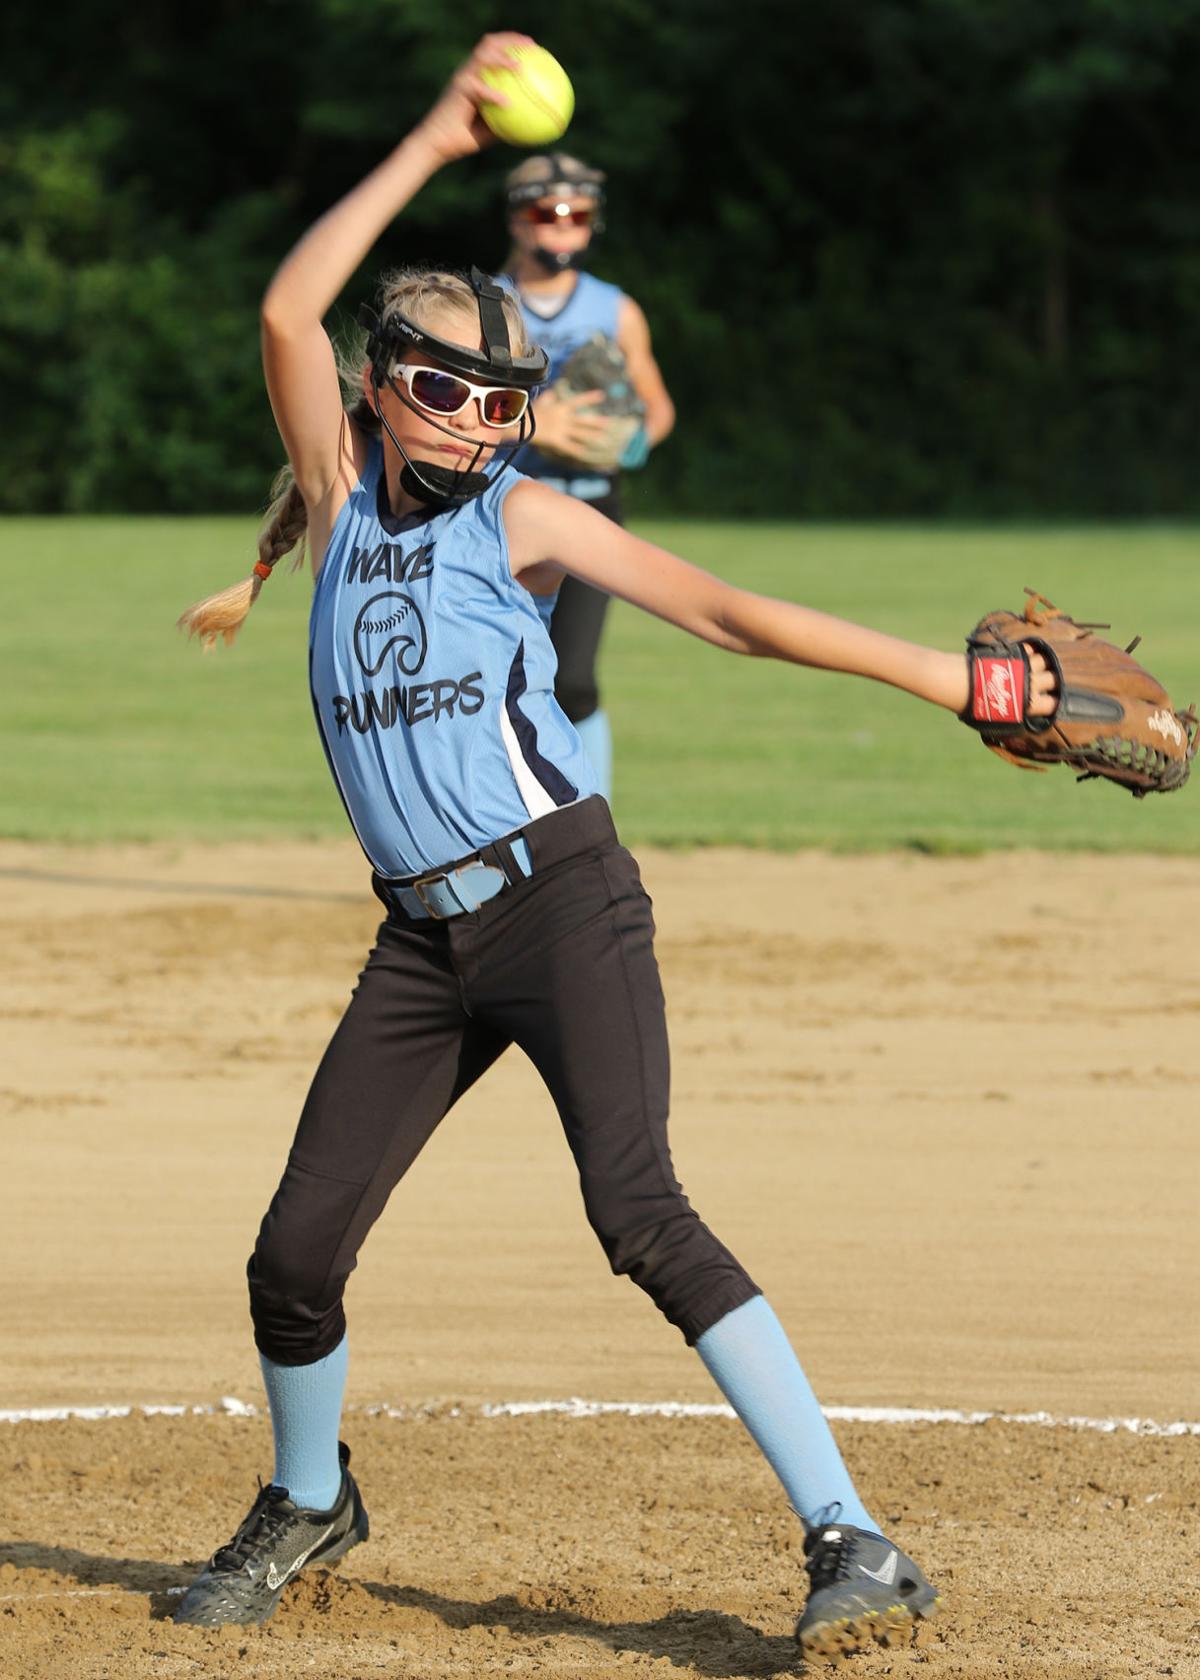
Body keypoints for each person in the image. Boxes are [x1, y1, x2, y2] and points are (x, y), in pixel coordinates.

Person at [171, 34, 1057, 1662]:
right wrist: (435, 135)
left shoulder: (524, 519)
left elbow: (728, 614)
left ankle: (854, 1537)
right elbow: (291, 308)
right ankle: (308, 1500)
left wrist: (955, 681)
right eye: (440, 386)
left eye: (497, 397)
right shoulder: (339, 502)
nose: (472, 417)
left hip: (561, 902)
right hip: (419, 945)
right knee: (292, 1255)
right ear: (380, 387)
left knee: (638, 1211)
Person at [499, 150, 676, 801]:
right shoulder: (486, 308)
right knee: (493, 679)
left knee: (572, 681)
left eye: (579, 214)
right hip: (503, 508)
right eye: (548, 212)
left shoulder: (614, 309)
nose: (564, 225)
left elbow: (657, 408)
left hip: (590, 508)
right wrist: (530, 426)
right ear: (517, 220)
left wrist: (628, 444)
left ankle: (590, 823)